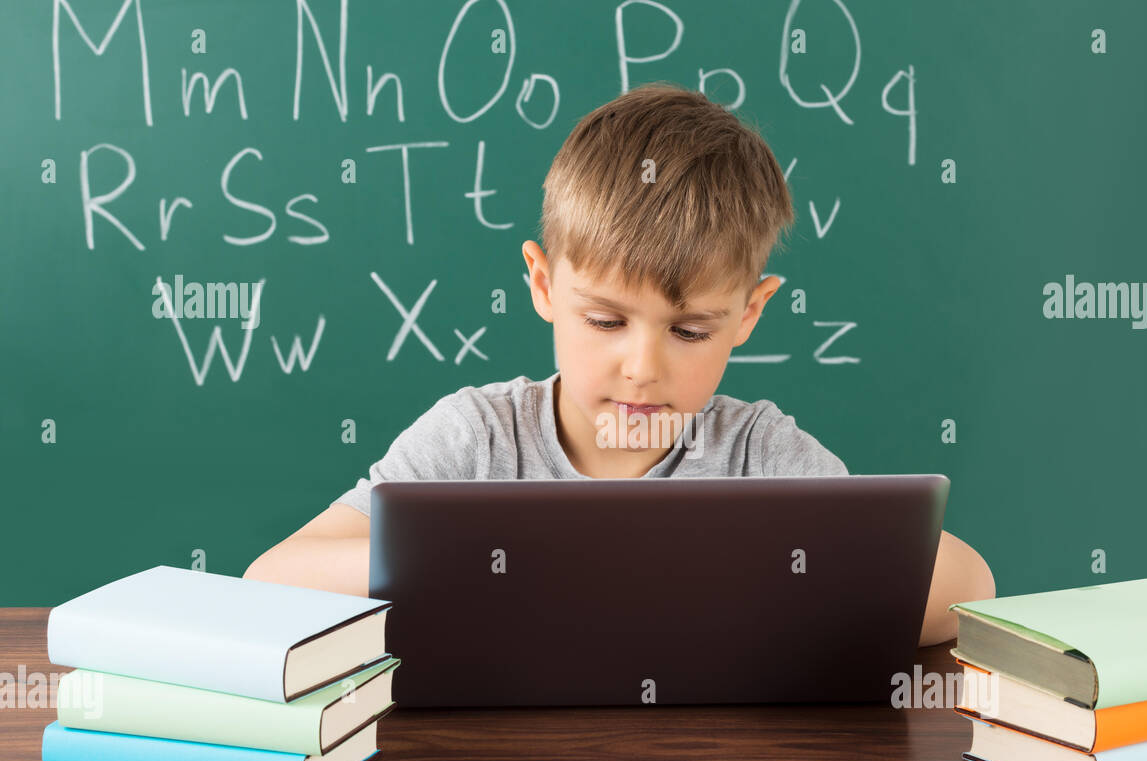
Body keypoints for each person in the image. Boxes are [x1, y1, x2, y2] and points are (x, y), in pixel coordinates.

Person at [245, 82, 995, 645]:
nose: (643, 367)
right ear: (542, 285)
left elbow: (968, 588)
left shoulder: (755, 452)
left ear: (750, 313)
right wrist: (475, 556)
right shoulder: (480, 437)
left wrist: (738, 563)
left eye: (692, 331)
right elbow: (272, 580)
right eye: (605, 320)